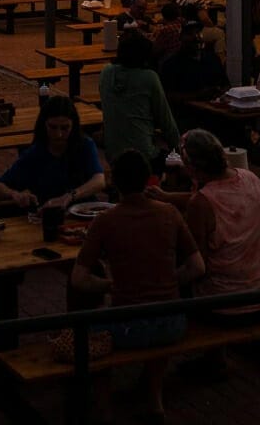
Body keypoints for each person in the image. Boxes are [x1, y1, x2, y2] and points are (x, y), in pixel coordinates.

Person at [71, 149, 204, 419]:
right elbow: (197, 267)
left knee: (91, 329)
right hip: (172, 324)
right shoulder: (169, 213)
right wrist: (166, 280)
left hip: (127, 325)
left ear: (115, 183)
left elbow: (79, 280)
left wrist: (111, 285)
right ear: (148, 181)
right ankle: (155, 398)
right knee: (157, 313)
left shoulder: (104, 221)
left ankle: (103, 405)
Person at [171, 129, 260, 323]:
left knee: (176, 277)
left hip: (229, 306)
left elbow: (196, 267)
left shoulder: (201, 203)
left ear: (192, 168)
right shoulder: (249, 177)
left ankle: (208, 349)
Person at [0, 95, 106, 209]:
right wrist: (15, 194)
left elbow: (99, 180)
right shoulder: (36, 153)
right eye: (53, 127)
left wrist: (69, 196)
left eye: (65, 128)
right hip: (49, 214)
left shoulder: (84, 145)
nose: (58, 134)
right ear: (44, 125)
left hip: (83, 211)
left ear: (73, 126)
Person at [99, 28, 178, 168]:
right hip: (143, 155)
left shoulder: (106, 73)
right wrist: (179, 148)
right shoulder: (148, 78)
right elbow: (166, 121)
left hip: (113, 153)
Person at [159, 19, 229, 129]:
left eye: (198, 32)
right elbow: (167, 96)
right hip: (187, 118)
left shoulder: (212, 59)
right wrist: (197, 95)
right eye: (190, 34)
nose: (196, 37)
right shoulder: (171, 64)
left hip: (216, 114)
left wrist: (220, 94)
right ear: (181, 37)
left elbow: (226, 85)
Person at [151, 1, 183, 67]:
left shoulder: (165, 30)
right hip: (182, 57)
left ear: (163, 15)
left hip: (168, 60)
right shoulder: (183, 24)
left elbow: (156, 50)